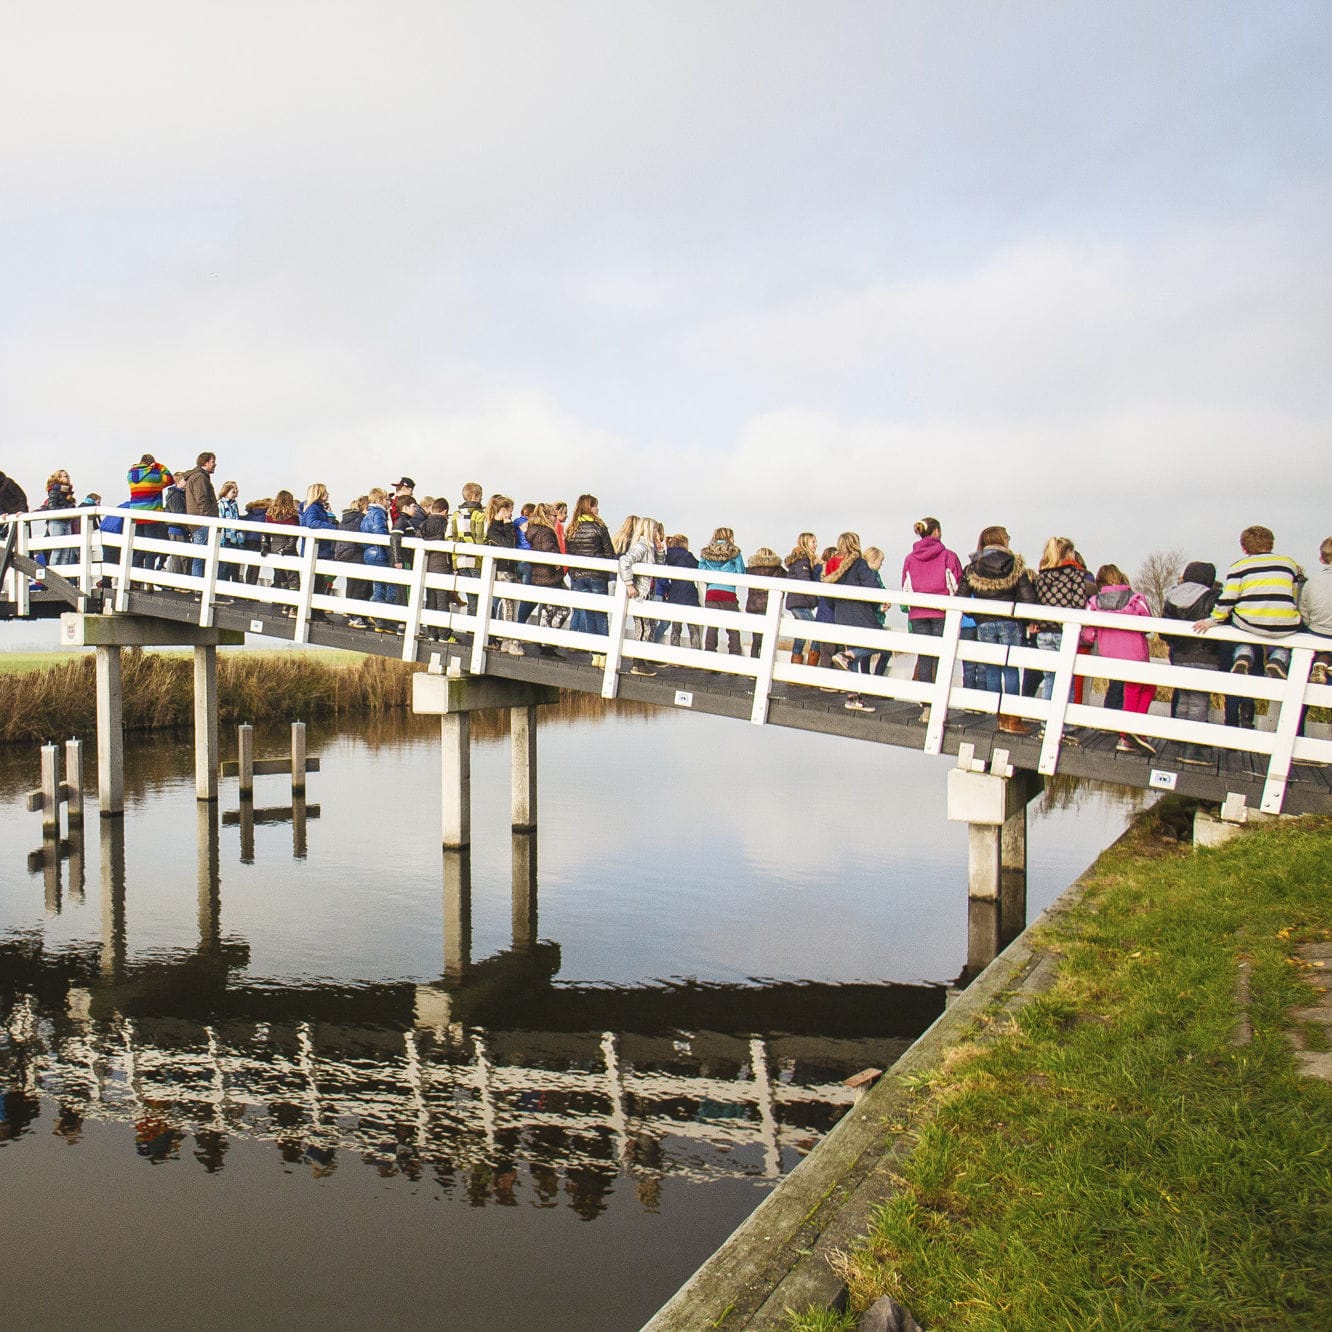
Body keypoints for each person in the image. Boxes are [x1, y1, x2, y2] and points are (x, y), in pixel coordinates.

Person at [958, 526, 1038, 733]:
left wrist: (977, 615)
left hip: (984, 623)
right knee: (1010, 669)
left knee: (992, 669)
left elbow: (961, 599)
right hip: (1009, 622)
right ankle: (1013, 719)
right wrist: (1025, 620)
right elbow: (1028, 597)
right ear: (1002, 540)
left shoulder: (973, 567)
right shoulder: (1015, 565)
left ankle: (1000, 718)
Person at [1083, 564, 1155, 754]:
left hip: (1110, 656)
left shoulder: (1094, 603)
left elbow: (1088, 635)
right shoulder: (1136, 599)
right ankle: (1129, 734)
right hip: (1135, 654)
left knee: (1128, 690)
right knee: (1144, 688)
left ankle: (1131, 732)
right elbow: (1148, 624)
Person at [1161, 561, 1222, 764]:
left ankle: (1180, 741)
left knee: (1184, 699)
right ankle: (1192, 749)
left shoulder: (1172, 596)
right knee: (1199, 701)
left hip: (1180, 655)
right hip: (1205, 654)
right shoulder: (1212, 597)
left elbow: (1164, 631)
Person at [823, 531, 883, 712]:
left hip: (841, 613)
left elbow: (828, 595)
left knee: (852, 657)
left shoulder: (831, 564)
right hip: (859, 613)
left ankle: (853, 698)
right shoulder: (859, 563)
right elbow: (872, 586)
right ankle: (848, 655)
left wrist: (836, 607)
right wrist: (879, 603)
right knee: (880, 643)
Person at [1031, 537, 1097, 700]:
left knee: (1049, 678)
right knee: (1067, 679)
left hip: (1044, 633)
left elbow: (1035, 603)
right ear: (1069, 553)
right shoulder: (1075, 576)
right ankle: (1065, 715)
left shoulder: (1041, 577)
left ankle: (1047, 713)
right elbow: (1079, 604)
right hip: (1065, 632)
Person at [900, 518, 962, 687]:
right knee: (942, 655)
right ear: (937, 532)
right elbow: (957, 585)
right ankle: (938, 693)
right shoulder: (949, 556)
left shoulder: (910, 559)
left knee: (924, 655)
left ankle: (925, 695)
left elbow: (906, 587)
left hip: (918, 613)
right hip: (942, 612)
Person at [564, 494, 615, 639]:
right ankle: (603, 648)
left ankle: (591, 647)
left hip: (578, 576)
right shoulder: (599, 527)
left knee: (587, 613)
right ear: (590, 507)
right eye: (595, 506)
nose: (597, 509)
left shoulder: (571, 529)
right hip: (597, 575)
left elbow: (569, 553)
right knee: (600, 613)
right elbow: (610, 553)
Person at [617, 516, 663, 674]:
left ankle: (644, 659)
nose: (657, 532)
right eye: (655, 529)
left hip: (648, 593)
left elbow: (659, 567)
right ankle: (638, 663)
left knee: (650, 626)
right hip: (640, 594)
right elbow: (624, 561)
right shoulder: (641, 546)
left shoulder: (650, 548)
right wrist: (629, 584)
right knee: (643, 628)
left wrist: (660, 550)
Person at [524, 503, 566, 655]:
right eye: (554, 515)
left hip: (538, 573)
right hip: (549, 574)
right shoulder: (547, 532)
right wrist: (558, 565)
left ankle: (544, 641)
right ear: (547, 516)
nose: (556, 518)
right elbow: (550, 550)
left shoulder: (533, 530)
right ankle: (547, 642)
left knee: (547, 609)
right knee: (562, 608)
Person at [484, 494, 523, 653]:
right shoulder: (493, 529)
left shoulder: (504, 527)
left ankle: (507, 641)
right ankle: (510, 640)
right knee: (508, 606)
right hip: (502, 570)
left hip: (510, 569)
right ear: (503, 510)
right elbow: (508, 545)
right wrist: (507, 526)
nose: (512, 514)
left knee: (511, 605)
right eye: (510, 510)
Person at [699, 526, 745, 656]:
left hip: (712, 593)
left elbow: (701, 571)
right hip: (728, 593)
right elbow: (741, 572)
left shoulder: (707, 552)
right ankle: (735, 655)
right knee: (733, 628)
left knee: (712, 626)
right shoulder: (734, 552)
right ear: (729, 537)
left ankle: (709, 654)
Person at [299, 483, 340, 620]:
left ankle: (317, 612)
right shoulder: (313, 508)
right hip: (318, 552)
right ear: (319, 493)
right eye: (325, 492)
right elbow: (312, 523)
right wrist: (332, 527)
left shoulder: (317, 508)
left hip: (321, 551)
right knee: (316, 584)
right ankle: (316, 612)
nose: (328, 494)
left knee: (320, 583)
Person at [359, 487, 395, 630]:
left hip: (370, 552)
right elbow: (379, 531)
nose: (389, 502)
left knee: (378, 584)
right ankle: (382, 617)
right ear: (380, 500)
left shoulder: (368, 513)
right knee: (388, 586)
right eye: (387, 499)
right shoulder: (379, 513)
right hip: (379, 552)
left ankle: (379, 617)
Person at [662, 533, 703, 650]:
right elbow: (698, 567)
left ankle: (674, 652)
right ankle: (696, 651)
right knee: (693, 628)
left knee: (676, 628)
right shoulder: (687, 555)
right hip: (689, 594)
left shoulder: (668, 556)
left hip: (674, 594)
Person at [784, 533, 820, 665]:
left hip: (800, 602)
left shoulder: (804, 560)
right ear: (805, 544)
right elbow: (805, 581)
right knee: (816, 631)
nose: (816, 545)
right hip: (799, 602)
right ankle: (811, 661)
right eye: (813, 542)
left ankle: (796, 660)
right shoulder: (802, 561)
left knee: (802, 631)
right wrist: (814, 599)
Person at [1301, 537, 1332, 685]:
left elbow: (1304, 610)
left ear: (1321, 559)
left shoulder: (1311, 582)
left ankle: (1322, 661)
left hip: (1317, 632)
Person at [745, 547, 786, 659]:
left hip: (754, 606)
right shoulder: (778, 570)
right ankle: (765, 660)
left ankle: (754, 661)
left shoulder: (752, 570)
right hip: (770, 607)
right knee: (768, 637)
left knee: (756, 638)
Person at [182, 452, 219, 578]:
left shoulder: (197, 477)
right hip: (202, 523)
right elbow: (202, 500)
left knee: (201, 556)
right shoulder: (200, 478)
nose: (215, 464)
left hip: (198, 522)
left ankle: (198, 584)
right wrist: (209, 519)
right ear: (205, 462)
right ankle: (198, 585)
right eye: (213, 462)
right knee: (200, 557)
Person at [265, 489, 301, 610]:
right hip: (288, 550)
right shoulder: (292, 517)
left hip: (274, 549)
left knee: (281, 577)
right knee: (293, 578)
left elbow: (266, 533)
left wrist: (267, 547)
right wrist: (287, 548)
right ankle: (293, 605)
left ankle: (284, 603)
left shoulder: (270, 515)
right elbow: (293, 537)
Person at [338, 494, 370, 618]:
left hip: (347, 553)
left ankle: (349, 610)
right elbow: (360, 539)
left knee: (352, 583)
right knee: (359, 585)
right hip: (357, 553)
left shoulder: (347, 519)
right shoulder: (361, 519)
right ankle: (355, 615)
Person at [39, 470, 77, 566]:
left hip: (67, 522)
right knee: (58, 550)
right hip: (57, 522)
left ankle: (62, 573)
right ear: (58, 478)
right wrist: (67, 509)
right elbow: (52, 507)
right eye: (64, 476)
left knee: (66, 551)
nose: (67, 478)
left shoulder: (67, 492)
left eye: (67, 476)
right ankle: (54, 572)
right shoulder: (54, 491)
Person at [217, 480, 245, 584]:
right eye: (233, 492)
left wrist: (240, 539)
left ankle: (230, 586)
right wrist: (221, 540)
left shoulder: (234, 504)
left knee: (232, 566)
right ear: (226, 491)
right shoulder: (221, 504)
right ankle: (221, 586)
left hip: (234, 539)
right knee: (224, 566)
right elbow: (221, 521)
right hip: (225, 539)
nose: (235, 493)